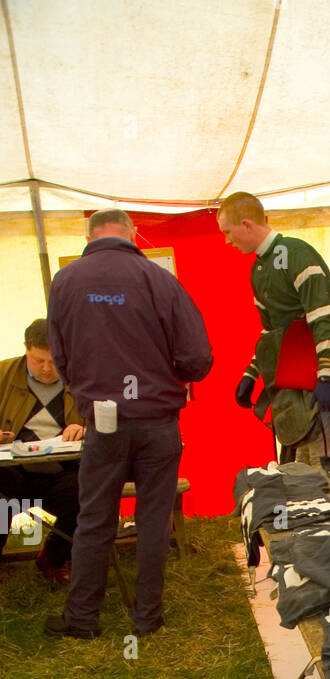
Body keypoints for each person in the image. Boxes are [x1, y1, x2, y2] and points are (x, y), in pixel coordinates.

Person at [44, 208, 212, 638]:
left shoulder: (64, 282)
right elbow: (197, 359)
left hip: (103, 422)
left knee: (94, 519)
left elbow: (60, 358)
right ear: (131, 232)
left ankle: (82, 619)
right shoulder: (159, 278)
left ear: (90, 235)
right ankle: (147, 617)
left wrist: (87, 389)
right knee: (154, 520)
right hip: (157, 421)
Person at [217, 191, 330, 467]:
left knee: (323, 462)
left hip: (315, 375)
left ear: (247, 225)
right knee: (299, 461)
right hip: (290, 379)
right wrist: (251, 374)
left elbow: (323, 316)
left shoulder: (297, 254)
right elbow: (271, 334)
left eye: (228, 232)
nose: (227, 240)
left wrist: (326, 376)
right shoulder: (258, 270)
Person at [0, 319, 85, 582]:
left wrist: (83, 426)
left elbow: (106, 417)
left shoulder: (81, 377)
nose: (48, 369)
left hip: (61, 472)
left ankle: (53, 557)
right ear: (26, 350)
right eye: (39, 361)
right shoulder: (3, 373)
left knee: (88, 493)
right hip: (11, 472)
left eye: (54, 361)